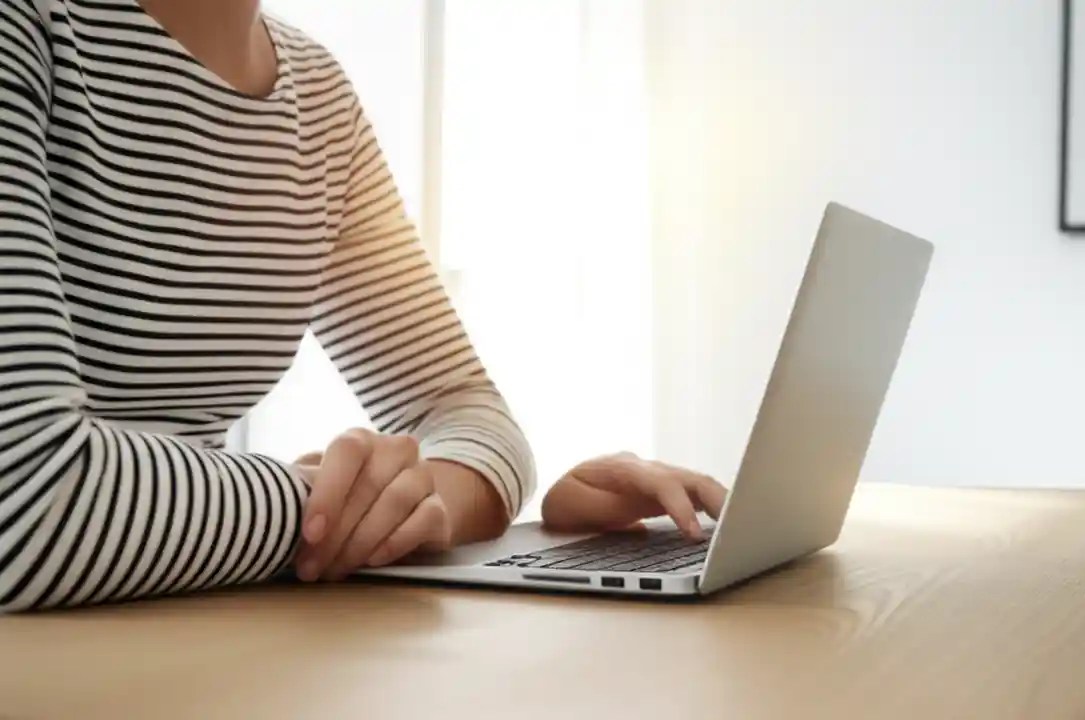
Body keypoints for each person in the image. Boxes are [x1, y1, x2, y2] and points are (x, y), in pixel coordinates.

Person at [0, 0, 726, 612]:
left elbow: (467, 410)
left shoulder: (316, 99)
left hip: (180, 635)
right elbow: (25, 500)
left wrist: (406, 501)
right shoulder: (29, 29)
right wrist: (318, 507)